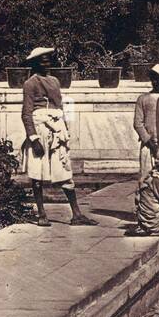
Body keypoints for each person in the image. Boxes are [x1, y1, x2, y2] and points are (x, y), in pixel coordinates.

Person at [20, 46, 97, 226]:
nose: (46, 63)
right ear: (34, 63)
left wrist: (65, 130)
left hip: (56, 130)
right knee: (37, 173)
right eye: (42, 60)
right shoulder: (30, 83)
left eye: (48, 59)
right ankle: (41, 214)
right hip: (40, 131)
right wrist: (33, 138)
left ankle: (76, 214)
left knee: (64, 170)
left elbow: (60, 107)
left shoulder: (54, 81)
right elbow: (26, 113)